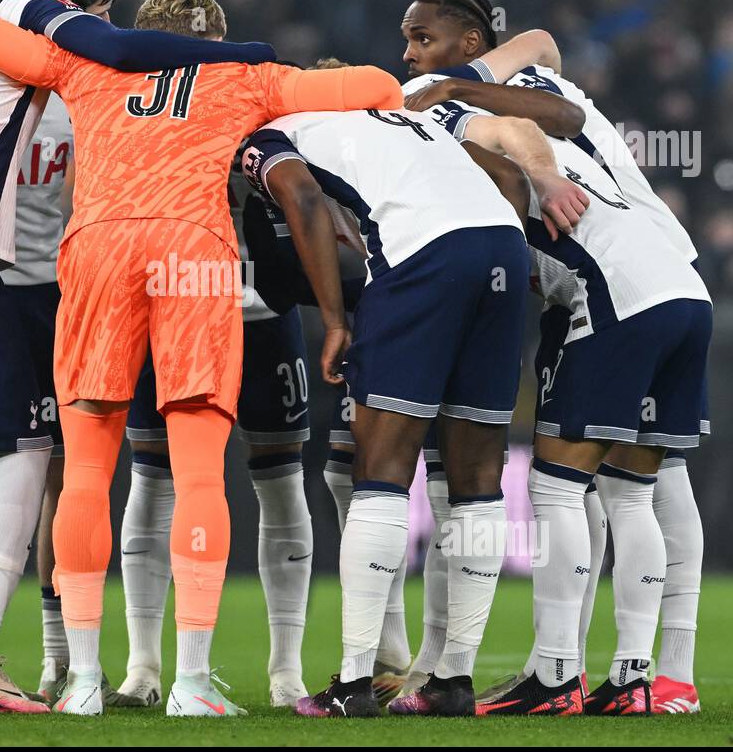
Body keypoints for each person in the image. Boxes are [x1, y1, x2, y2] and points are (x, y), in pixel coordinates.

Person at [0, 0, 403, 716]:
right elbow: (377, 85)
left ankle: (84, 680)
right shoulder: (241, 77)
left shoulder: (82, 63)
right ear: (212, 33)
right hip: (193, 254)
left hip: (96, 250)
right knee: (199, 471)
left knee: (85, 470)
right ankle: (191, 683)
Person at [402, 0, 707, 714]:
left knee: (555, 487)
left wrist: (534, 175)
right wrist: (461, 76)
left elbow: (516, 137)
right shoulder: (534, 77)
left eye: (420, 39)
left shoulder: (433, 102)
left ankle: (556, 674)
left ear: (467, 42)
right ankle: (645, 676)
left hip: (610, 286)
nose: (408, 56)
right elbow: (539, 42)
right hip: (678, 274)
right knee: (641, 490)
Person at [241, 92, 582, 717]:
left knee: (382, 474)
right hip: (503, 249)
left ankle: (353, 684)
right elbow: (508, 176)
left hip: (421, 258)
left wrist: (339, 320)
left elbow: (304, 199)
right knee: (479, 480)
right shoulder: (404, 120)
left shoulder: (266, 134)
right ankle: (452, 682)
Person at [111, 166, 317, 709]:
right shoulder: (160, 99)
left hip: (262, 313)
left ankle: (286, 673)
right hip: (173, 306)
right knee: (153, 478)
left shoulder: (266, 105)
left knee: (280, 480)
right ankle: (143, 667)